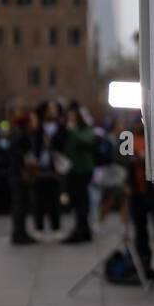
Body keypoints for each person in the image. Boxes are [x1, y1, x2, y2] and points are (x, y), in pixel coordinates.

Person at [124, 120, 154, 275]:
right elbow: (121, 158)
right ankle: (144, 267)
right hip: (136, 192)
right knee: (141, 232)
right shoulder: (128, 137)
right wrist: (133, 158)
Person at [61, 103, 96, 244]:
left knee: (81, 200)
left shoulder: (84, 129)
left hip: (83, 170)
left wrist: (73, 131)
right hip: (72, 169)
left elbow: (87, 141)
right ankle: (82, 228)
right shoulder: (67, 130)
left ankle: (82, 230)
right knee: (76, 201)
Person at [32, 102, 68, 234]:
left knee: (55, 198)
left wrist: (51, 143)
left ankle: (55, 226)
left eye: (54, 110)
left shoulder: (60, 128)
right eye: (49, 109)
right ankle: (39, 226)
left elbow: (63, 145)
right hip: (39, 166)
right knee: (39, 199)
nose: (52, 112)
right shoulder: (38, 127)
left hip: (55, 167)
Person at [7, 110, 38, 245]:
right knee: (20, 205)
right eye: (33, 120)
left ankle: (21, 232)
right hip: (19, 174)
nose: (35, 123)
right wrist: (25, 162)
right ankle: (19, 234)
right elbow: (16, 152)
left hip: (19, 173)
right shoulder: (21, 135)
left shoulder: (24, 134)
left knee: (22, 205)